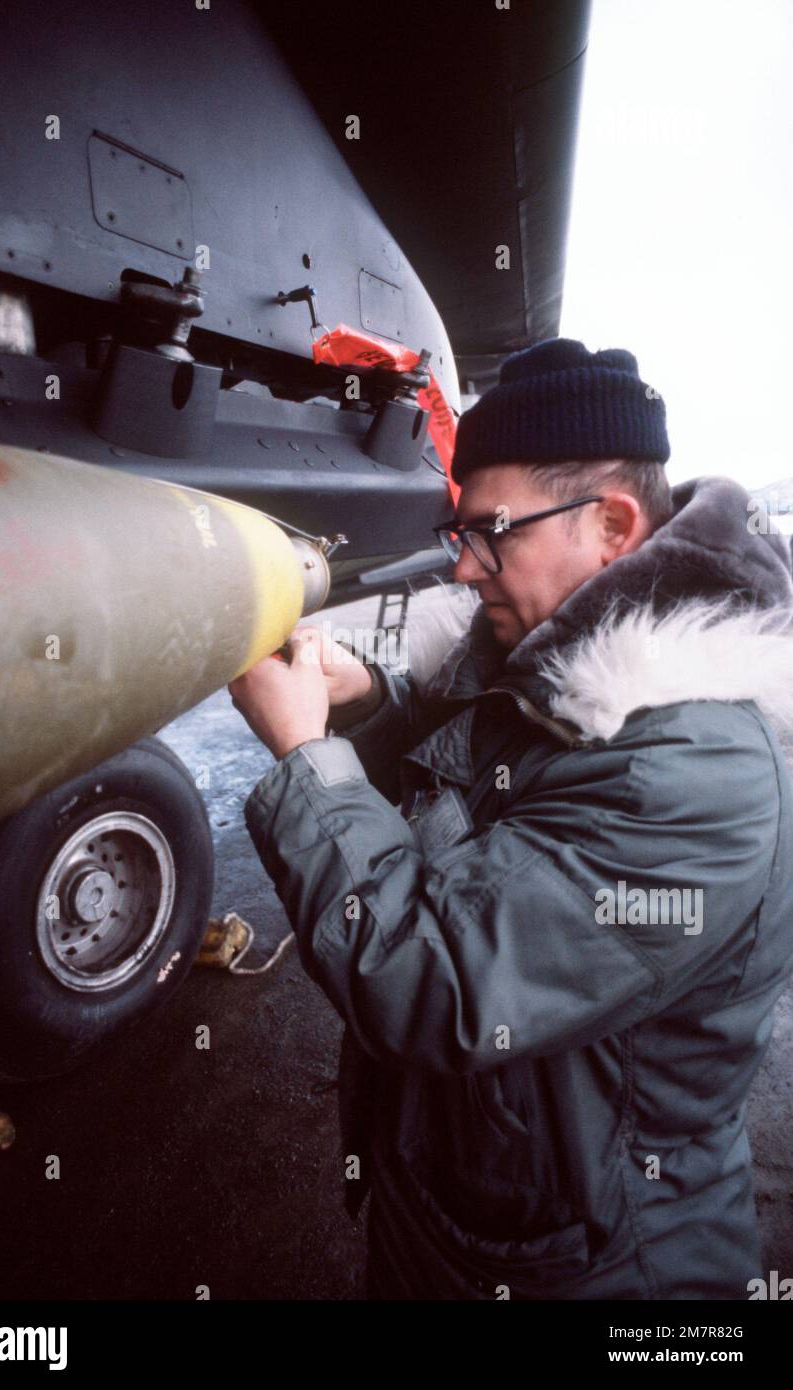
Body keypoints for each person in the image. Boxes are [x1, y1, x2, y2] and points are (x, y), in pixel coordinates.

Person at [228, 337, 793, 1300]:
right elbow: (503, 779)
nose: (463, 570)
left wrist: (305, 760)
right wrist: (365, 702)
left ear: (610, 523)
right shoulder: (576, 660)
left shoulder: (697, 769)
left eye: (491, 532)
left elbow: (436, 978)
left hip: (595, 1265)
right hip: (477, 1223)